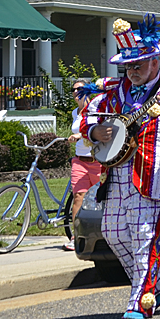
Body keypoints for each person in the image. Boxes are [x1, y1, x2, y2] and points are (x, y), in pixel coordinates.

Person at [81, 15, 160, 319]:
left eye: (138, 65)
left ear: (155, 62)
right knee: (113, 233)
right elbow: (87, 119)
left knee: (143, 236)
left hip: (154, 176)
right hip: (116, 176)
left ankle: (141, 300)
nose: (132, 72)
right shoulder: (112, 93)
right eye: (128, 66)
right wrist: (96, 133)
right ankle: (158, 276)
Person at [64, 80, 102, 251]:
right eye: (74, 89)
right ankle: (76, 236)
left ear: (87, 90)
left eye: (80, 88)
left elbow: (100, 128)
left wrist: (81, 135)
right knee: (78, 197)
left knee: (100, 199)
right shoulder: (75, 113)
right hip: (80, 161)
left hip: (98, 161)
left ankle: (102, 234)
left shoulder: (95, 109)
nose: (76, 91)